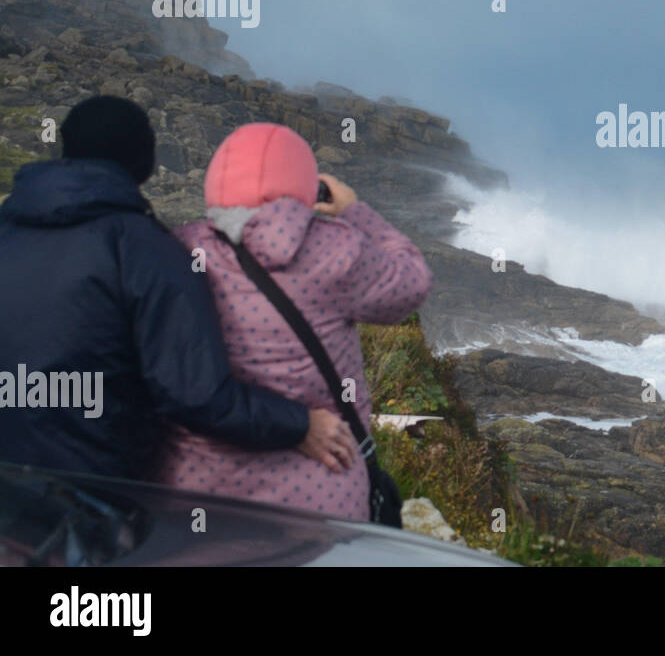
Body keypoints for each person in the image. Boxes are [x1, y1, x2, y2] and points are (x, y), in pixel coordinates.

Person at [0, 96, 356, 480]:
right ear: (145, 163)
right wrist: (301, 425)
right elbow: (197, 396)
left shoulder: (8, 229)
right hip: (90, 503)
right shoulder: (147, 252)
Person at [153, 122, 433, 520]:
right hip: (319, 500)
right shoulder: (338, 249)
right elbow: (412, 283)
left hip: (198, 495)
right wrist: (356, 212)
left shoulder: (181, 249)